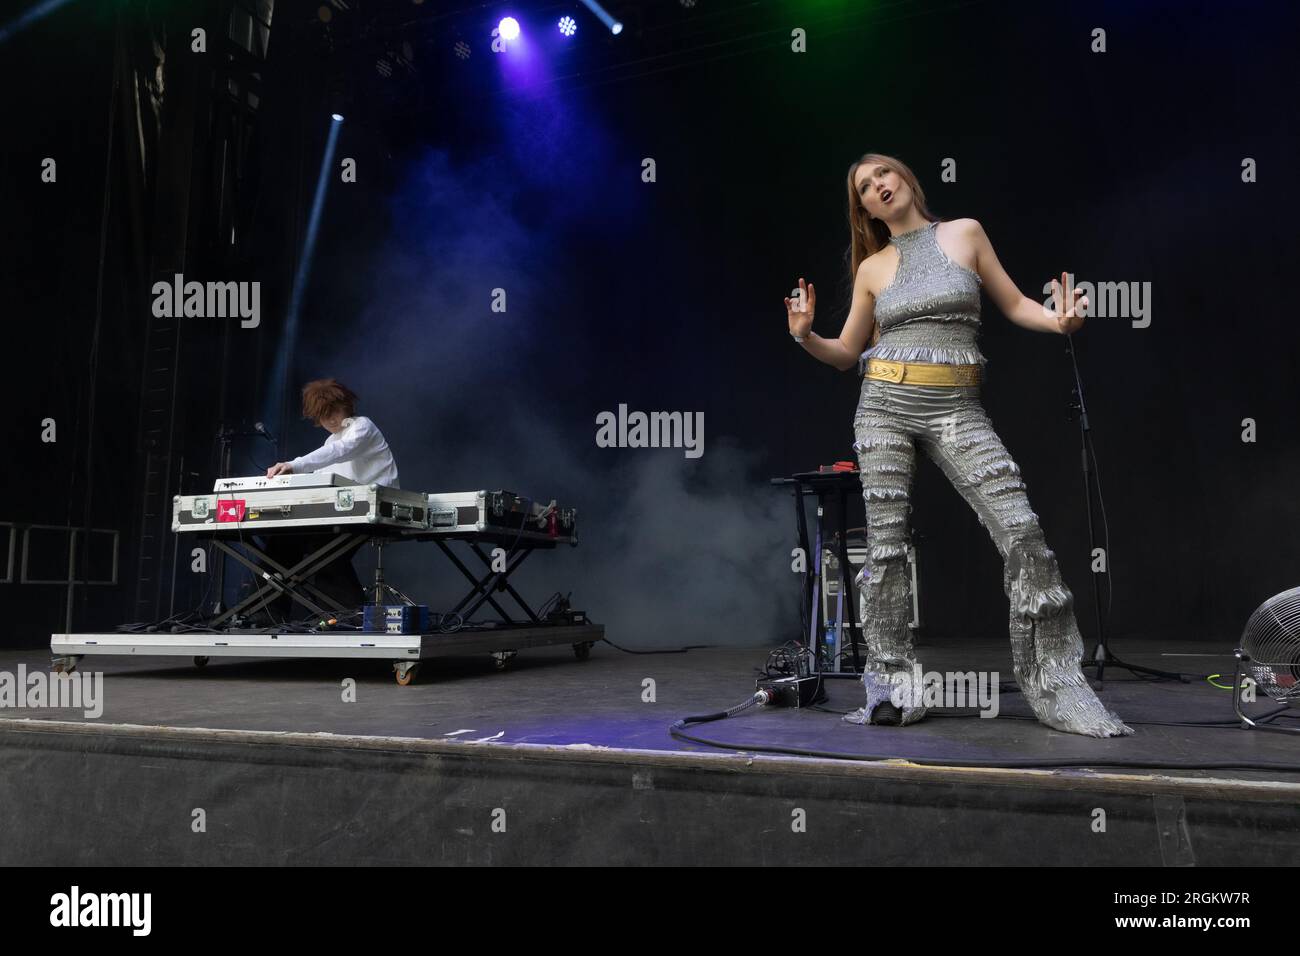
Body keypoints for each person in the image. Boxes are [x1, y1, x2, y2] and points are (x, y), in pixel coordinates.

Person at [785, 152, 1131, 738]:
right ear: (864, 208)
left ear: (906, 179)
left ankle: (1060, 686)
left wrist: (1061, 323)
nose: (877, 188)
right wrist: (806, 337)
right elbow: (847, 353)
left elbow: (1017, 304)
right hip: (885, 408)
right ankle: (892, 687)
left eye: (882, 175)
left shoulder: (964, 233)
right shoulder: (873, 268)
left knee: (1022, 531)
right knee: (887, 550)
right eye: (865, 188)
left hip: (956, 410)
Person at [257, 379, 400, 619]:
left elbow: (340, 451)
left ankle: (352, 619)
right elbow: (321, 477)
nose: (331, 420)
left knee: (323, 555)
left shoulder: (362, 427)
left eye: (333, 412)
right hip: (342, 513)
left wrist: (294, 465)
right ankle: (265, 615)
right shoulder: (330, 441)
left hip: (374, 509)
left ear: (346, 405)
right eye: (323, 417)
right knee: (280, 546)